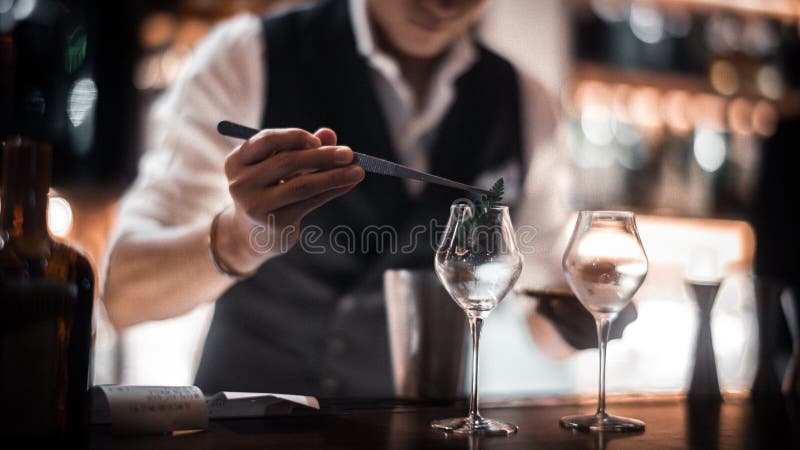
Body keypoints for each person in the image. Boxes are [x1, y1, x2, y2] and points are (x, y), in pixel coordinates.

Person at [102, 0, 571, 396]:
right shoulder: (249, 56)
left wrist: (584, 313)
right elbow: (124, 295)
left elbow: (543, 317)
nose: (442, 4)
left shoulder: (526, 103)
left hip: (427, 435)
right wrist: (238, 239)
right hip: (249, 432)